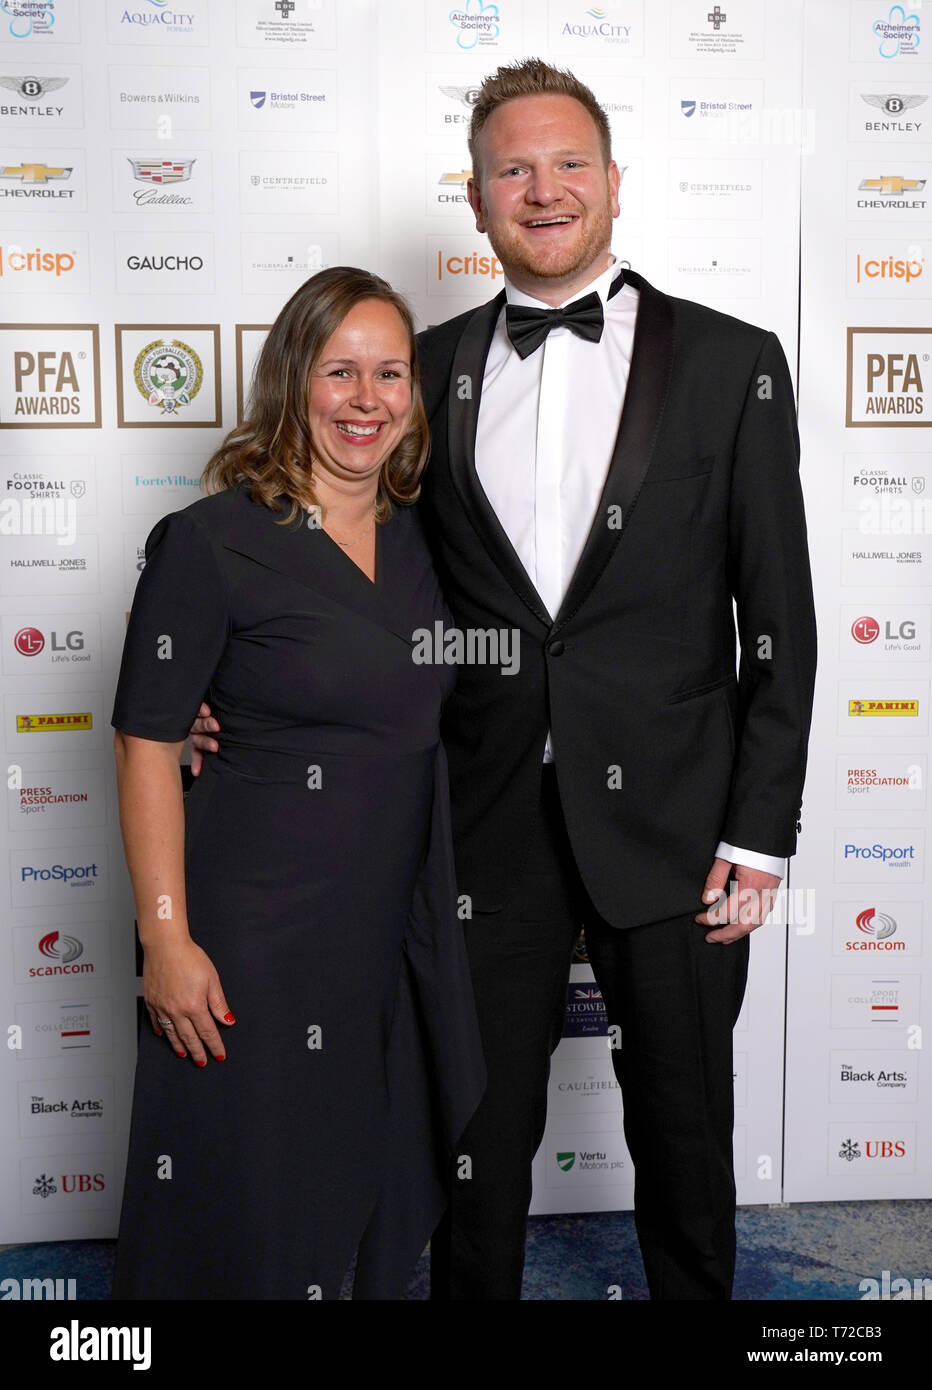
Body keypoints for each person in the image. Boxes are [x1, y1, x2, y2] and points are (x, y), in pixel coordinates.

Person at [193, 59, 817, 1300]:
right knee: (475, 1147)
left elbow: (779, 620)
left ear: (614, 183)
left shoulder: (732, 363)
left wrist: (758, 836)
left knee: (685, 1140)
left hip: (681, 825)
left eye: (566, 162)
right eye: (510, 170)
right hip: (474, 828)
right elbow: (343, 571)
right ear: (474, 203)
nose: (542, 190)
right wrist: (226, 688)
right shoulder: (415, 372)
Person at [110, 266, 485, 1300]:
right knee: (240, 1198)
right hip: (252, 934)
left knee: (354, 1189)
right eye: (339, 371)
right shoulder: (209, 543)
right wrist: (166, 938)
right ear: (292, 381)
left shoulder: (428, 538)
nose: (365, 398)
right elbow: (145, 742)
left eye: (390, 373)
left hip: (384, 931)